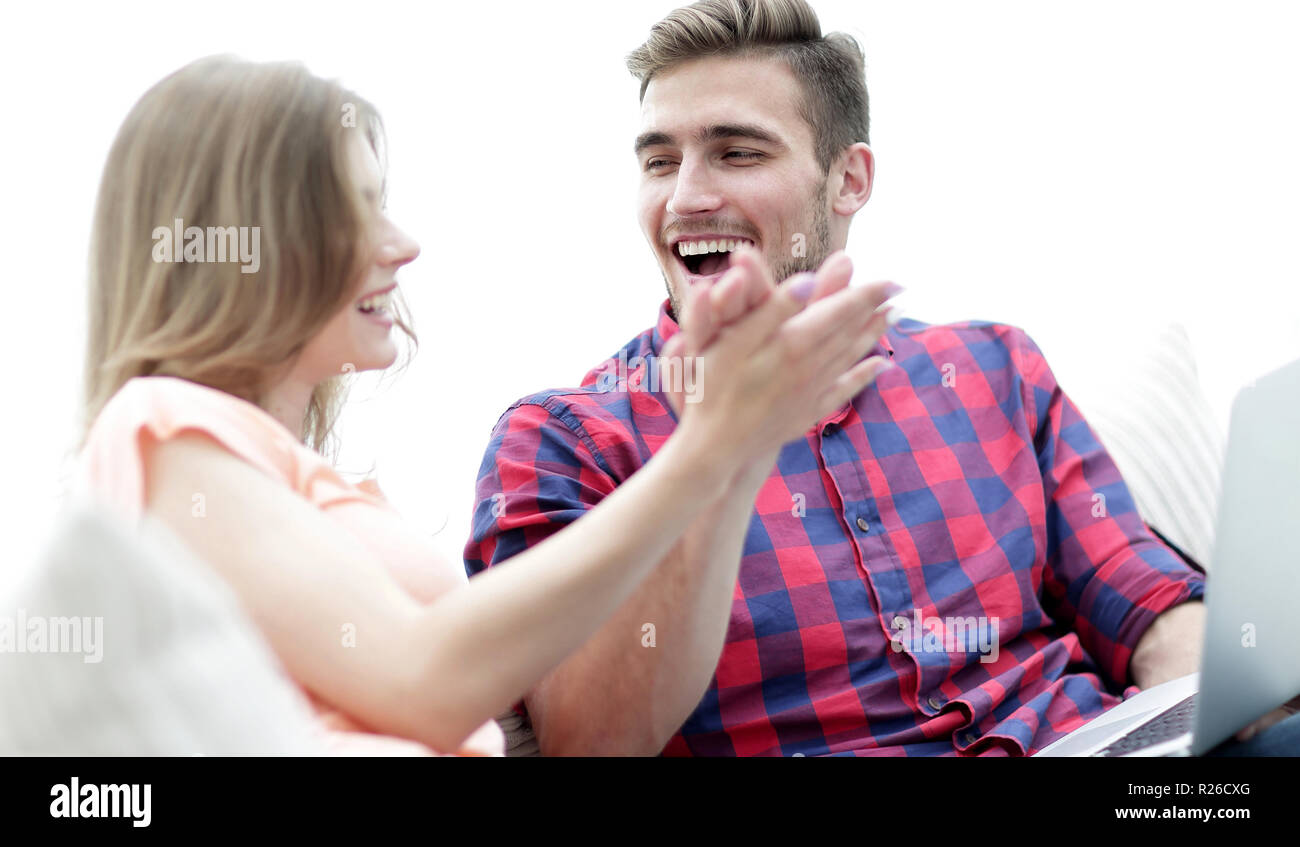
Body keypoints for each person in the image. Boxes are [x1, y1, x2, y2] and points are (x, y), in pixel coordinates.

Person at [466, 0, 1299, 756]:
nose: (686, 197)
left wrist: (1212, 729)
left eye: (737, 152)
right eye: (659, 161)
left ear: (850, 179)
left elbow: (1147, 603)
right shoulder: (561, 445)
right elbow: (587, 740)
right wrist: (727, 447)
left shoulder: (994, 368)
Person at [73, 54, 901, 756]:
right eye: (357, 209)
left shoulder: (297, 485)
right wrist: (712, 447)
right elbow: (425, 680)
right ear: (245, 242)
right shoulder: (163, 428)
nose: (403, 245)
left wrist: (732, 446)